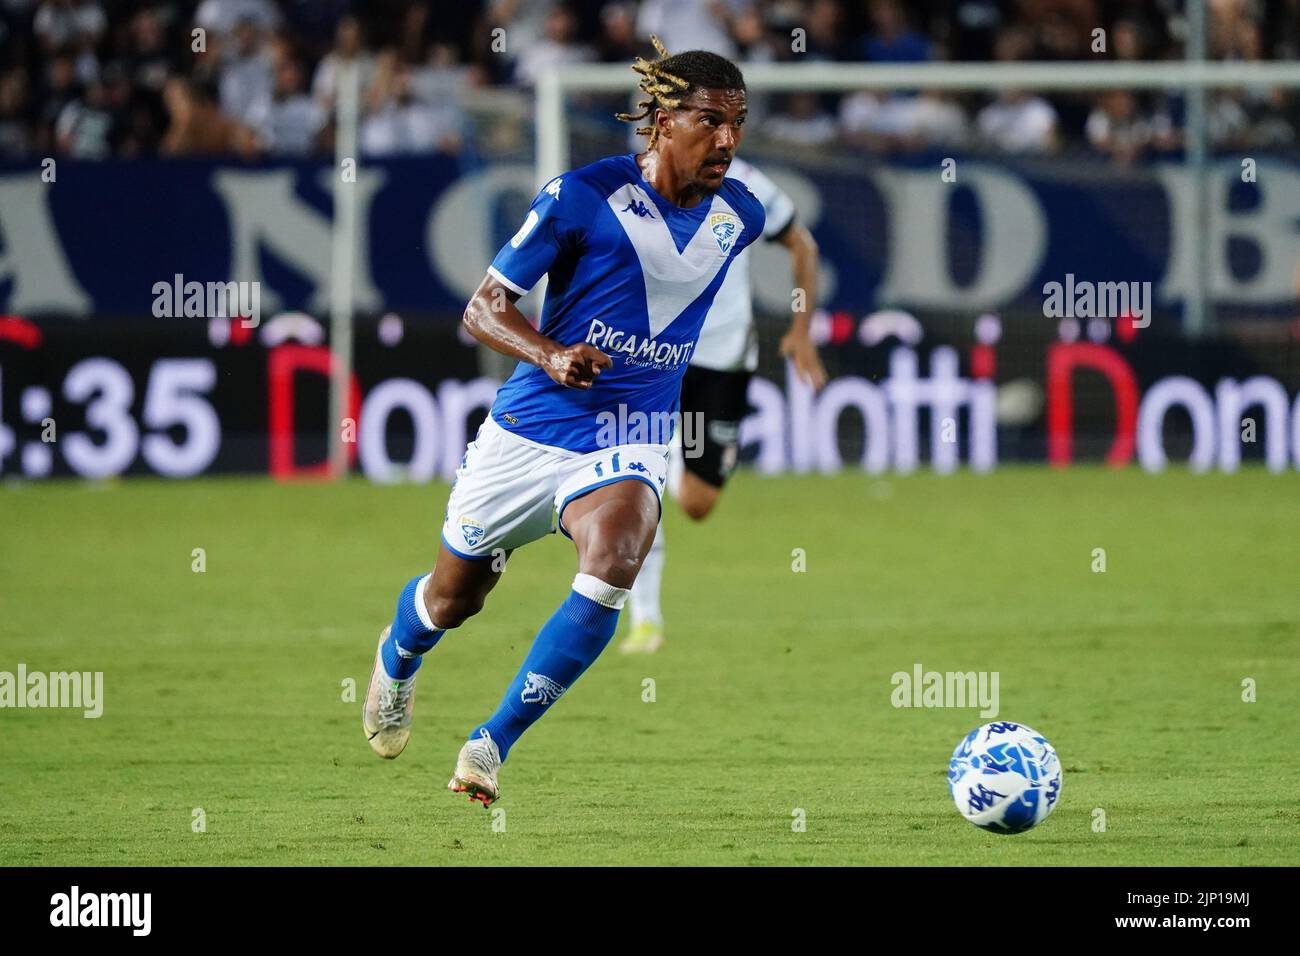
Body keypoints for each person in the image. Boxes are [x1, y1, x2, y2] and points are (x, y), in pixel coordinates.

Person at [362, 38, 765, 807]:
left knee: (617, 555)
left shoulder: (738, 215)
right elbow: (485, 305)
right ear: (661, 118)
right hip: (533, 425)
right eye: (711, 122)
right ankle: (398, 657)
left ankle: (489, 745)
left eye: (738, 123)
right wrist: (549, 355)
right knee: (455, 597)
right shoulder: (582, 195)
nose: (727, 141)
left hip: (633, 434)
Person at [623, 155, 825, 653]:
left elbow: (802, 244)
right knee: (633, 481)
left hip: (721, 353)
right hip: (651, 349)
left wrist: (801, 329)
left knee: (696, 503)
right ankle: (645, 620)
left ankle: (669, 444)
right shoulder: (634, 182)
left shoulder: (749, 183)